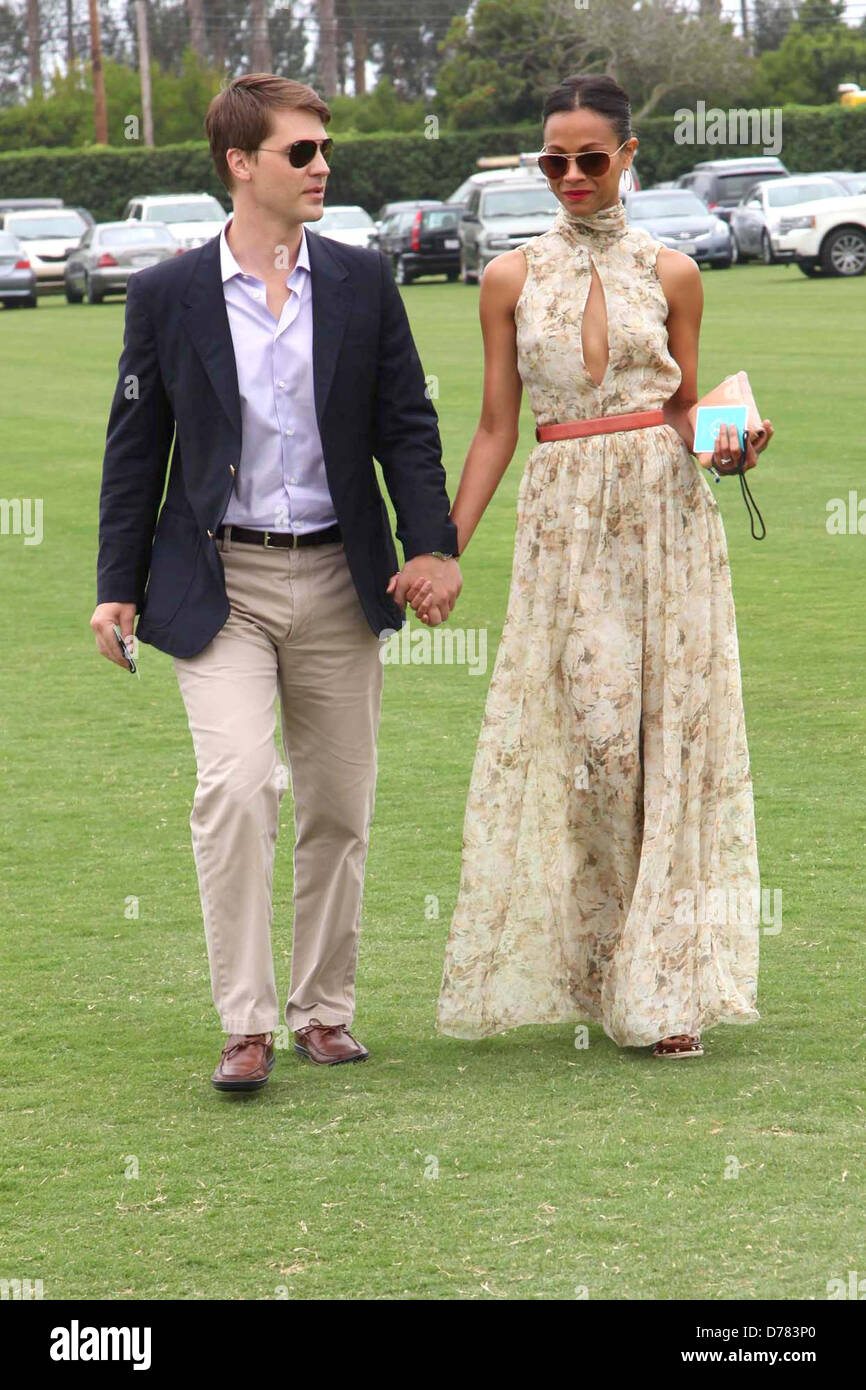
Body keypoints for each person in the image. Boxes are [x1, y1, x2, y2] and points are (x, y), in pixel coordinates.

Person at [90, 74, 461, 1092]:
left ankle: (323, 1012)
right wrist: (113, 585)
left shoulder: (359, 279)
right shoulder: (165, 295)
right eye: (300, 151)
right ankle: (247, 1022)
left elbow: (404, 427)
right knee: (237, 786)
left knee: (338, 806)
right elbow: (138, 449)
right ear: (239, 164)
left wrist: (429, 545)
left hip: (343, 582)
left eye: (323, 147)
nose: (321, 165)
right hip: (220, 586)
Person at [428, 73, 774, 1059]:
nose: (570, 175)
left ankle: (658, 988)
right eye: (552, 160)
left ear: (627, 156)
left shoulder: (672, 272)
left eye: (588, 157)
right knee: (595, 750)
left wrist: (730, 445)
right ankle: (594, 960)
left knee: (663, 746)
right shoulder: (505, 279)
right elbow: (497, 427)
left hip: (664, 521)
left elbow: (681, 407)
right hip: (562, 526)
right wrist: (444, 545)